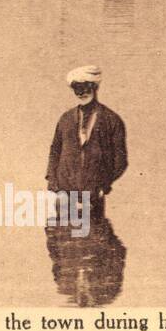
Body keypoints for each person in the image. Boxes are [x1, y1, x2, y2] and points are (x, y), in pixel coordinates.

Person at [45, 65, 127, 221]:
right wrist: (53, 183)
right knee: (63, 238)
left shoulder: (111, 120)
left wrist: (103, 185)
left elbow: (120, 160)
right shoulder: (66, 119)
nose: (81, 93)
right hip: (64, 193)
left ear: (94, 86)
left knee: (93, 239)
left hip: (93, 194)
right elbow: (55, 151)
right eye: (77, 89)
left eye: (85, 87)